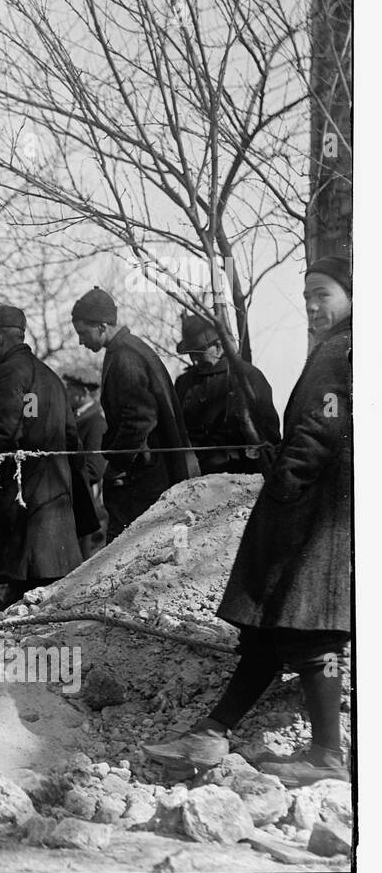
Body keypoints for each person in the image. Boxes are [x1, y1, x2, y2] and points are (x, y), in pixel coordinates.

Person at [145, 257, 352, 787]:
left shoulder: (341, 354)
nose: (312, 305)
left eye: (324, 294)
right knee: (267, 629)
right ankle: (210, 733)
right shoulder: (340, 349)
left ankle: (328, 751)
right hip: (314, 506)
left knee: (312, 631)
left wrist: (286, 482)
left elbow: (321, 429)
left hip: (315, 512)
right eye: (307, 294)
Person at [0, 306, 97, 606]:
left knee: (25, 584)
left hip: (22, 502)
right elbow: (71, 440)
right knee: (45, 587)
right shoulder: (51, 377)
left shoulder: (8, 372)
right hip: (55, 502)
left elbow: (3, 432)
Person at [71, 287, 196, 540]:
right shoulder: (130, 349)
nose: (81, 341)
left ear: (102, 326)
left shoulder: (124, 358)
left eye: (84, 333)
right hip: (156, 468)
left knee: (130, 545)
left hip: (147, 474)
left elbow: (140, 417)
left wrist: (118, 463)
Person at [173, 314, 281, 476]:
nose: (194, 359)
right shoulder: (184, 382)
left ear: (219, 346)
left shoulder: (246, 376)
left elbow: (268, 431)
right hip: (192, 473)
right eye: (191, 353)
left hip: (238, 472)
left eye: (199, 351)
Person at [62, 363, 108, 559]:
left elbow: (94, 469)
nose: (66, 393)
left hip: (80, 501)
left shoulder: (96, 422)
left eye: (69, 389)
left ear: (82, 392)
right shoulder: (74, 417)